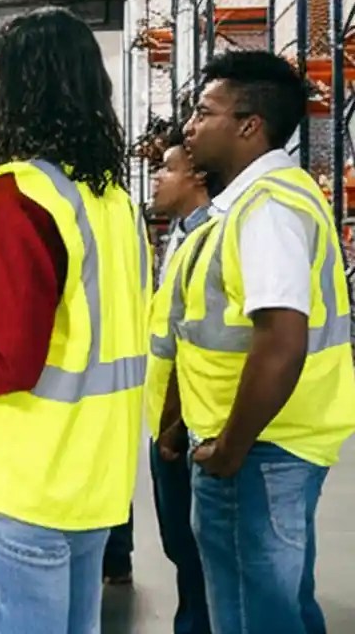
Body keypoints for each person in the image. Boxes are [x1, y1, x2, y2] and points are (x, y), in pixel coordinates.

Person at [0, 7, 151, 633]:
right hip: (93, 478)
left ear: (21, 83)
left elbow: (6, 360)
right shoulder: (114, 202)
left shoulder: (17, 192)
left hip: (19, 480)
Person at [160, 49, 355, 633]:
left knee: (252, 614)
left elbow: (280, 340)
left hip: (259, 448)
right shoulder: (259, 200)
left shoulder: (266, 207)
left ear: (249, 126)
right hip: (270, 440)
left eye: (204, 113)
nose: (190, 126)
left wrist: (230, 448)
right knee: (281, 603)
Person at [142, 128, 218, 634]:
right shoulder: (181, 233)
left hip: (188, 420)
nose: (156, 178)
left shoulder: (210, 233)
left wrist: (175, 423)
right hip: (168, 418)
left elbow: (195, 338)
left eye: (167, 169)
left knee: (196, 548)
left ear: (197, 177)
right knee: (179, 542)